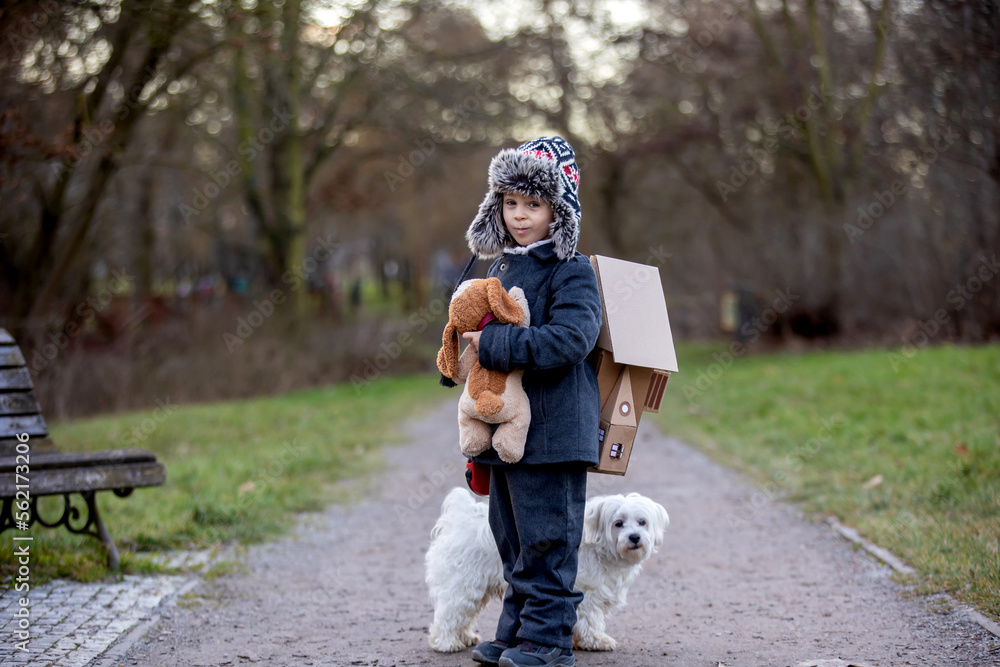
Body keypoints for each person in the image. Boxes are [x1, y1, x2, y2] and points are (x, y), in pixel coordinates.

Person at [460, 137, 602, 667]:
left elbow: (571, 339)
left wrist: (493, 343)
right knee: (512, 538)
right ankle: (518, 631)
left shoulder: (571, 271)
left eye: (534, 205)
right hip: (506, 433)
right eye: (510, 203)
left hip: (555, 430)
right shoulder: (502, 270)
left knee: (548, 539)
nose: (520, 216)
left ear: (557, 211)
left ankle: (549, 640)